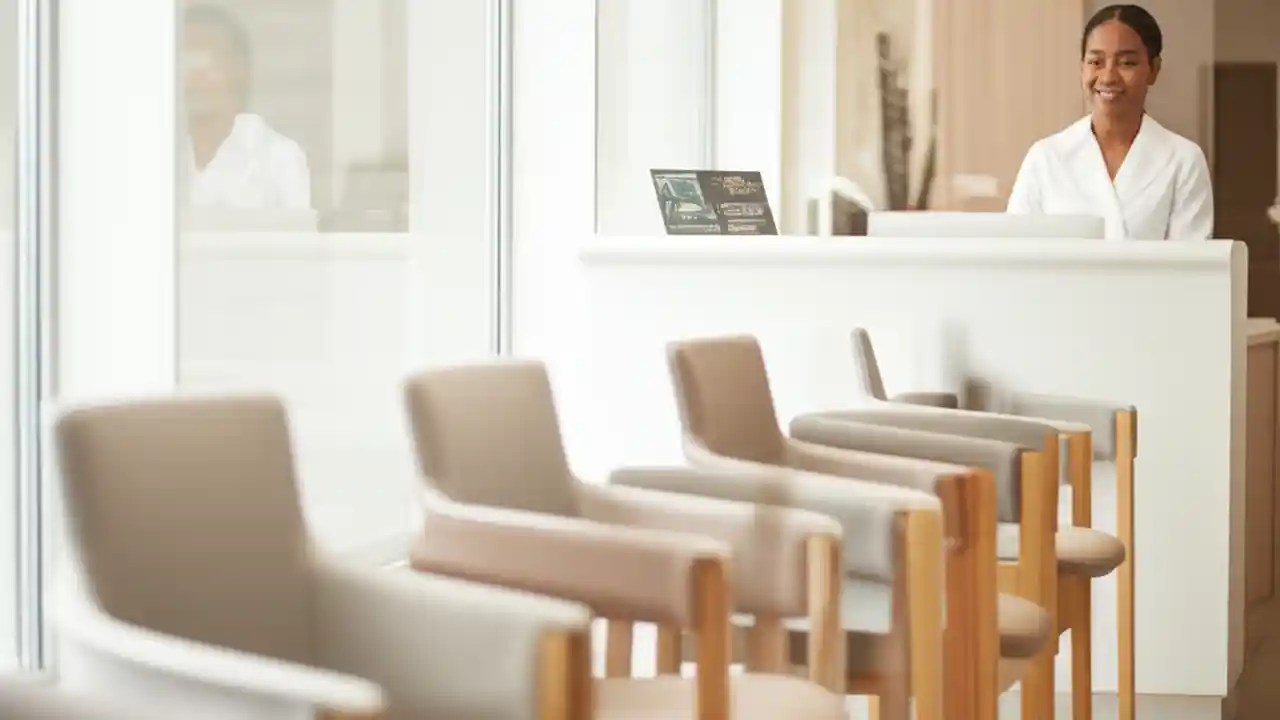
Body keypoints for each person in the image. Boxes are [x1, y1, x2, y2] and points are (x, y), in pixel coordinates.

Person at [1007, 4, 1213, 240]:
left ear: (1154, 69)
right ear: (1082, 67)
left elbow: (1191, 268)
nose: (1108, 77)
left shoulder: (1183, 160)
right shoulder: (1046, 157)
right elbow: (1017, 256)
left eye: (1127, 63)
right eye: (1096, 62)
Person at [181, 4, 312, 211]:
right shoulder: (151, 152)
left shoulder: (278, 157)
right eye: (185, 64)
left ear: (239, 69)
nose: (194, 79)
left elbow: (295, 241)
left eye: (206, 64)